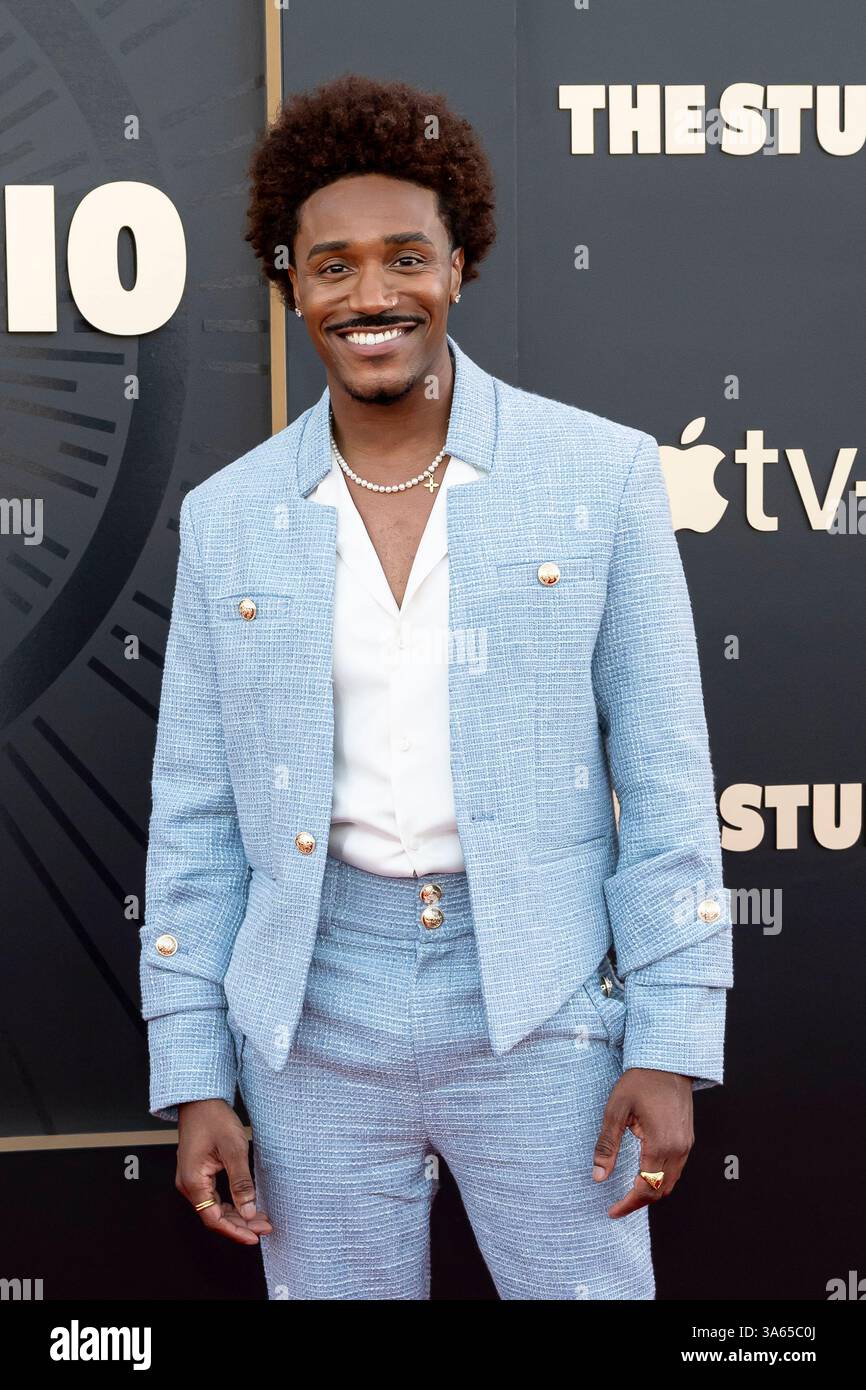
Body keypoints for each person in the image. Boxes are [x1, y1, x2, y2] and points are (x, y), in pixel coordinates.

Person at [139, 73, 733, 1300]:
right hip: (307, 1015)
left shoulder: (601, 477)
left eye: (405, 257)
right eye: (331, 265)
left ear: (456, 267)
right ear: (288, 282)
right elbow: (195, 821)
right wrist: (195, 1068)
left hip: (544, 999)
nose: (371, 295)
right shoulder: (229, 519)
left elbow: (667, 779)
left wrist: (671, 1037)